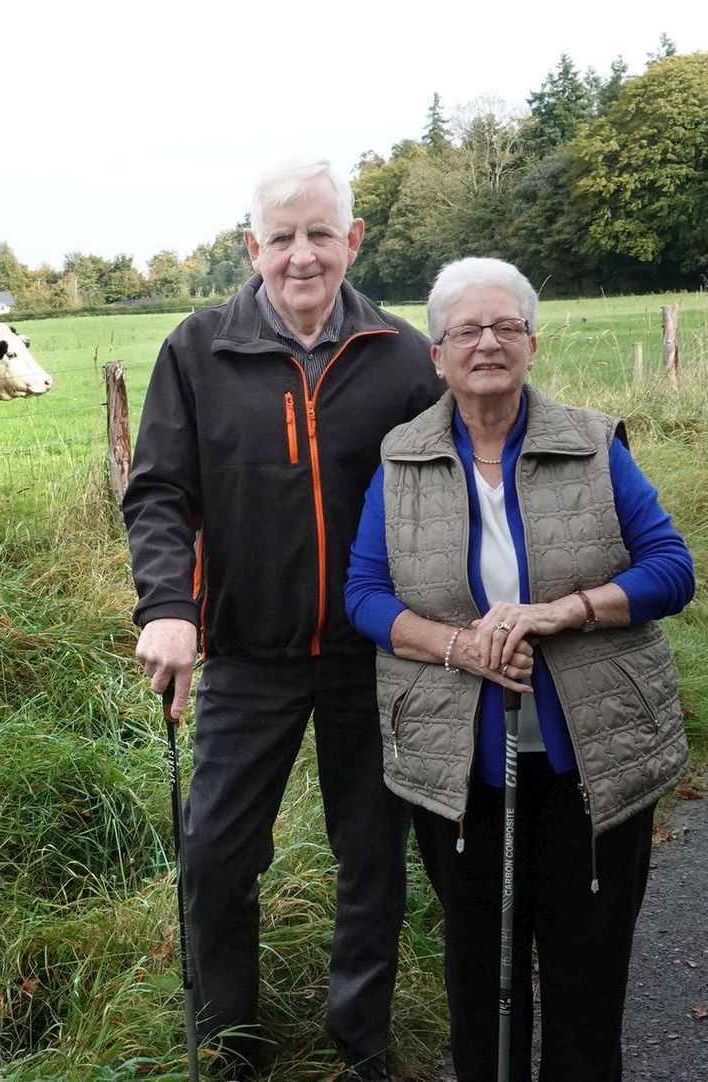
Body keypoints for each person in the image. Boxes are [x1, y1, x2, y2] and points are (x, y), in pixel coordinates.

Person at [122, 157, 443, 1080]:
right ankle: (226, 1043)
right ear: (250, 247)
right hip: (248, 654)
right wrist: (170, 609)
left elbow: (460, 478)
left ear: (351, 241)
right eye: (279, 237)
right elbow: (157, 495)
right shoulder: (197, 349)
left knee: (370, 857)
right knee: (216, 857)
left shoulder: (400, 354)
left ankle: (362, 1042)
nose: (300, 256)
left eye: (318, 235)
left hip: (372, 652)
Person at [344, 257, 695, 1081]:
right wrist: (457, 645)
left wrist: (560, 611)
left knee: (585, 980)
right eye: (466, 329)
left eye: (506, 326)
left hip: (592, 765)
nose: (487, 342)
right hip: (461, 768)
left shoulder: (593, 441)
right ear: (436, 355)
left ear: (532, 343)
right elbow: (362, 594)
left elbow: (670, 569)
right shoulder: (400, 458)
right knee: (479, 985)